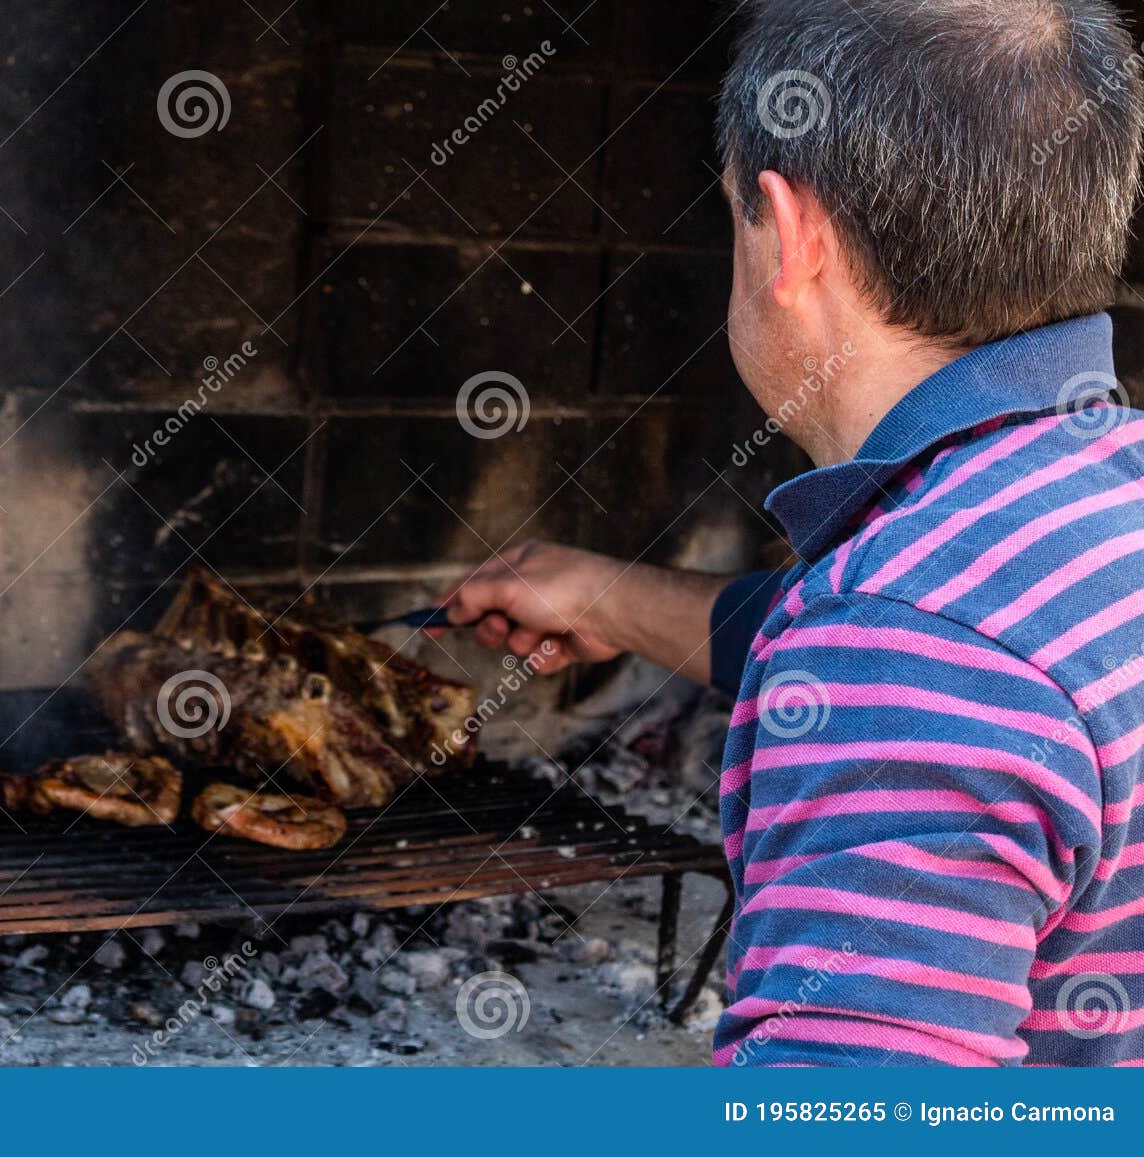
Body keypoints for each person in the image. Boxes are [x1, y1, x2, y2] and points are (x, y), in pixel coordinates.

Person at [441, 0, 1144, 1065]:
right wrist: (601, 597)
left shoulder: (909, 635)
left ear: (791, 232)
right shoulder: (1078, 504)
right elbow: (937, 641)